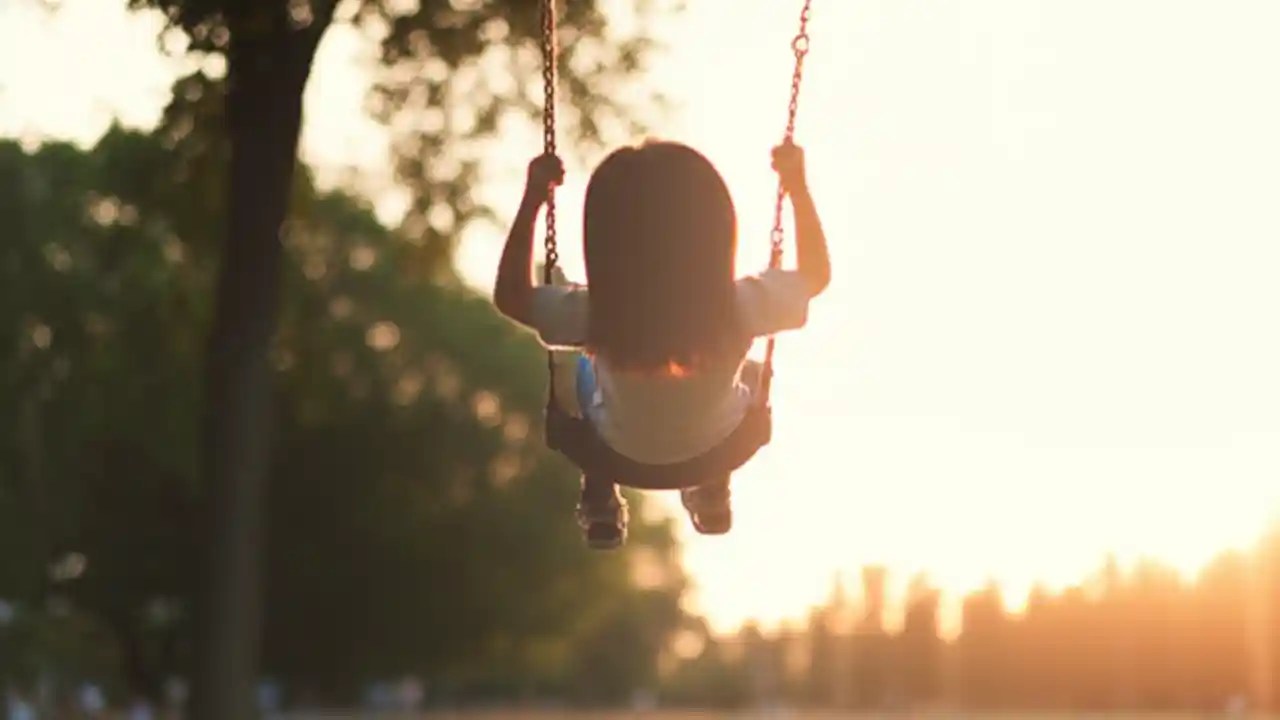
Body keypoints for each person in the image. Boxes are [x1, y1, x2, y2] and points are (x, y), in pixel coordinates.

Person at [495, 139, 829, 548]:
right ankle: (711, 487)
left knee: (581, 370)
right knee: (752, 371)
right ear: (717, 232)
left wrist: (533, 199)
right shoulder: (737, 306)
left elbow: (511, 296)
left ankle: (599, 491)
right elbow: (816, 275)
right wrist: (797, 184)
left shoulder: (599, 313)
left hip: (614, 451)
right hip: (720, 448)